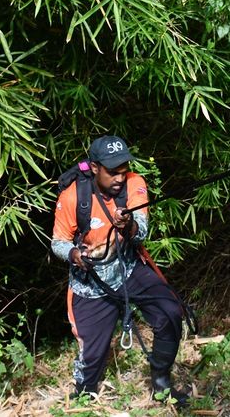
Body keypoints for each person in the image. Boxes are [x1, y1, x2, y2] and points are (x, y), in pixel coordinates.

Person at [51, 135, 189, 407]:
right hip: (91, 283)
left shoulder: (134, 184)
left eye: (123, 169)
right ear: (94, 168)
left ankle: (161, 382)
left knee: (170, 312)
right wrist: (74, 254)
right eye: (112, 171)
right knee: (91, 355)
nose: (119, 177)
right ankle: (85, 393)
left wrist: (127, 226)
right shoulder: (72, 197)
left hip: (127, 268)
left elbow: (141, 231)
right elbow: (58, 242)